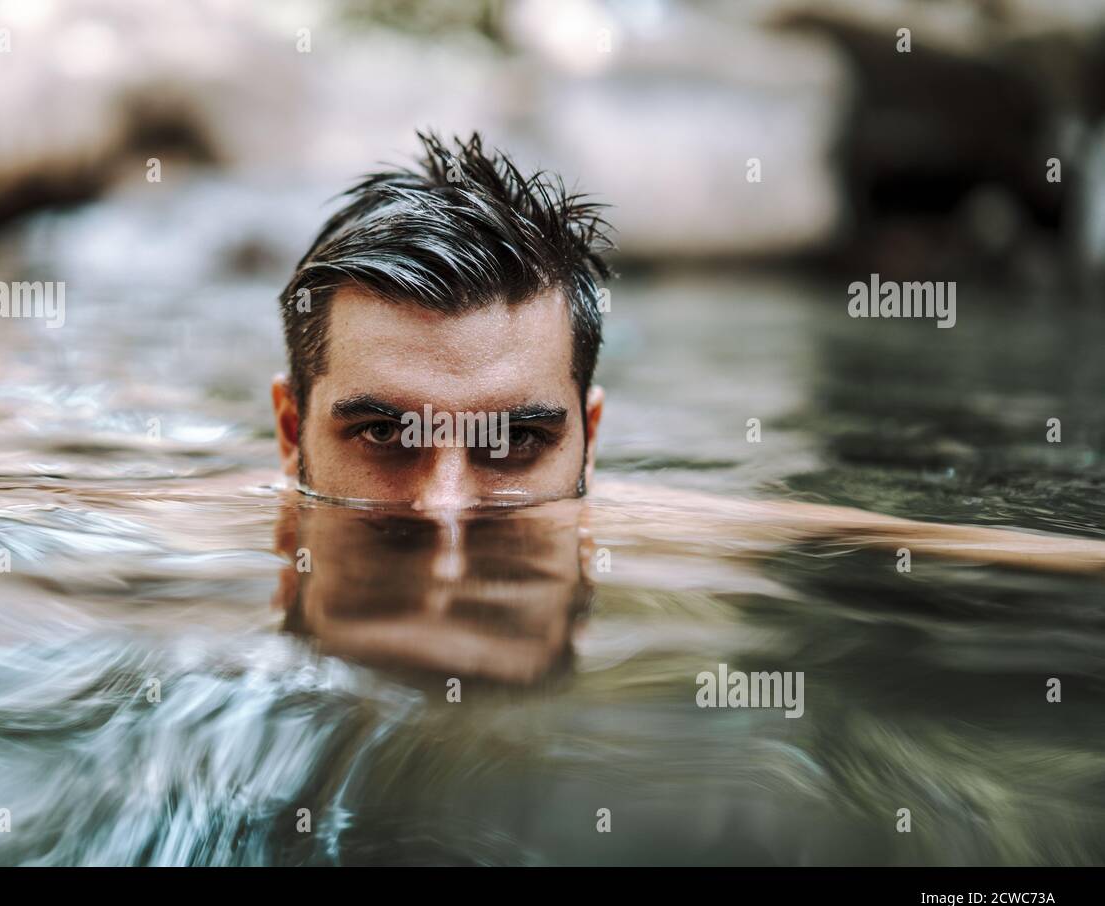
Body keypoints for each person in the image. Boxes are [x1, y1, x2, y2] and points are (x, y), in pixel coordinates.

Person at [269, 130, 1105, 582]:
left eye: (515, 441)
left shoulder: (683, 529)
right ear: (289, 430)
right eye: (383, 434)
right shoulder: (162, 529)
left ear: (590, 439)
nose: (446, 509)